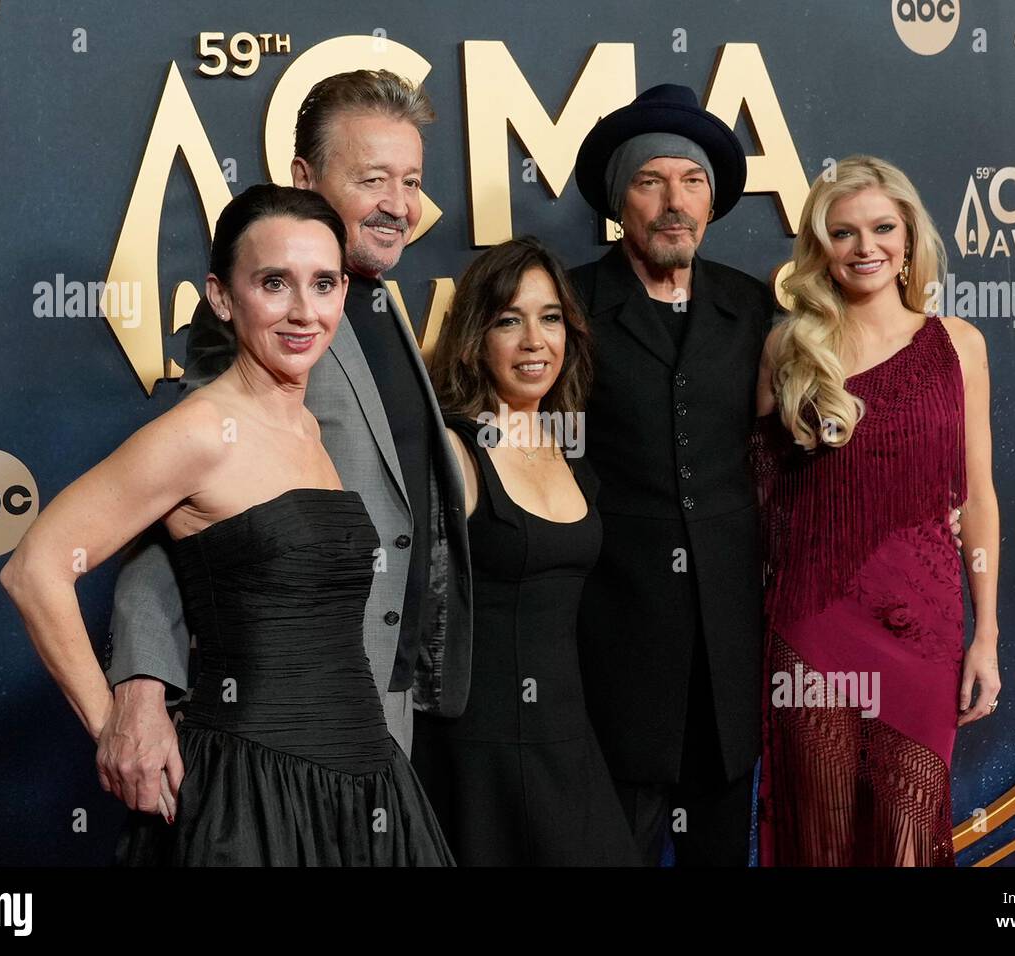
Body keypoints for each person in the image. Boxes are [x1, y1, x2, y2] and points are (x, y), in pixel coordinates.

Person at [1, 184, 453, 865]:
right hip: (253, 799)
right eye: (274, 283)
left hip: (366, 784)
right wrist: (111, 726)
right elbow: (35, 567)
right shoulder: (201, 432)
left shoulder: (307, 428)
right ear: (220, 297)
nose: (305, 311)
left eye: (324, 283)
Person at [98, 70, 472, 824]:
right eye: (373, 179)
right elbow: (172, 510)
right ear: (304, 178)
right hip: (291, 718)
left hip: (387, 701)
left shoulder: (380, 302)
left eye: (411, 181)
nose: (399, 205)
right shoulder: (261, 317)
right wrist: (140, 686)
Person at [751, 155, 1001, 866]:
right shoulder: (788, 349)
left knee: (906, 840)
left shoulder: (959, 345)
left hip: (922, 631)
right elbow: (762, 502)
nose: (866, 248)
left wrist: (985, 637)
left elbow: (978, 496)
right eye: (843, 232)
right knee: (820, 837)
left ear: (910, 236)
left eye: (882, 227)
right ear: (819, 247)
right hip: (813, 628)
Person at [567, 84, 774, 866]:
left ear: (712, 202)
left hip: (728, 657)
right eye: (651, 182)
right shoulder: (569, 306)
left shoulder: (752, 308)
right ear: (621, 200)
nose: (674, 202)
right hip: (611, 648)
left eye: (691, 182)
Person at [411, 237, 640, 865]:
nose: (534, 341)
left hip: (568, 740)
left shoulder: (569, 448)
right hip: (477, 751)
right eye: (509, 320)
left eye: (550, 318)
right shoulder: (455, 452)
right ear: (475, 338)